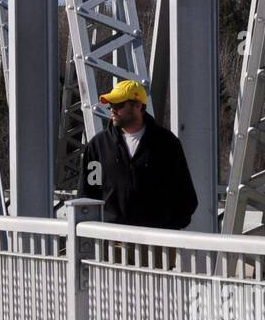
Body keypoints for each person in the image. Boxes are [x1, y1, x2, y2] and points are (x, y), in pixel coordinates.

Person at [76, 80, 199, 230]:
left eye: (119, 105)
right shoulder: (98, 146)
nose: (113, 110)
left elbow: (185, 195)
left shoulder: (166, 144)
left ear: (138, 105)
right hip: (111, 242)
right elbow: (87, 194)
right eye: (111, 105)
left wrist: (169, 229)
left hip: (156, 244)